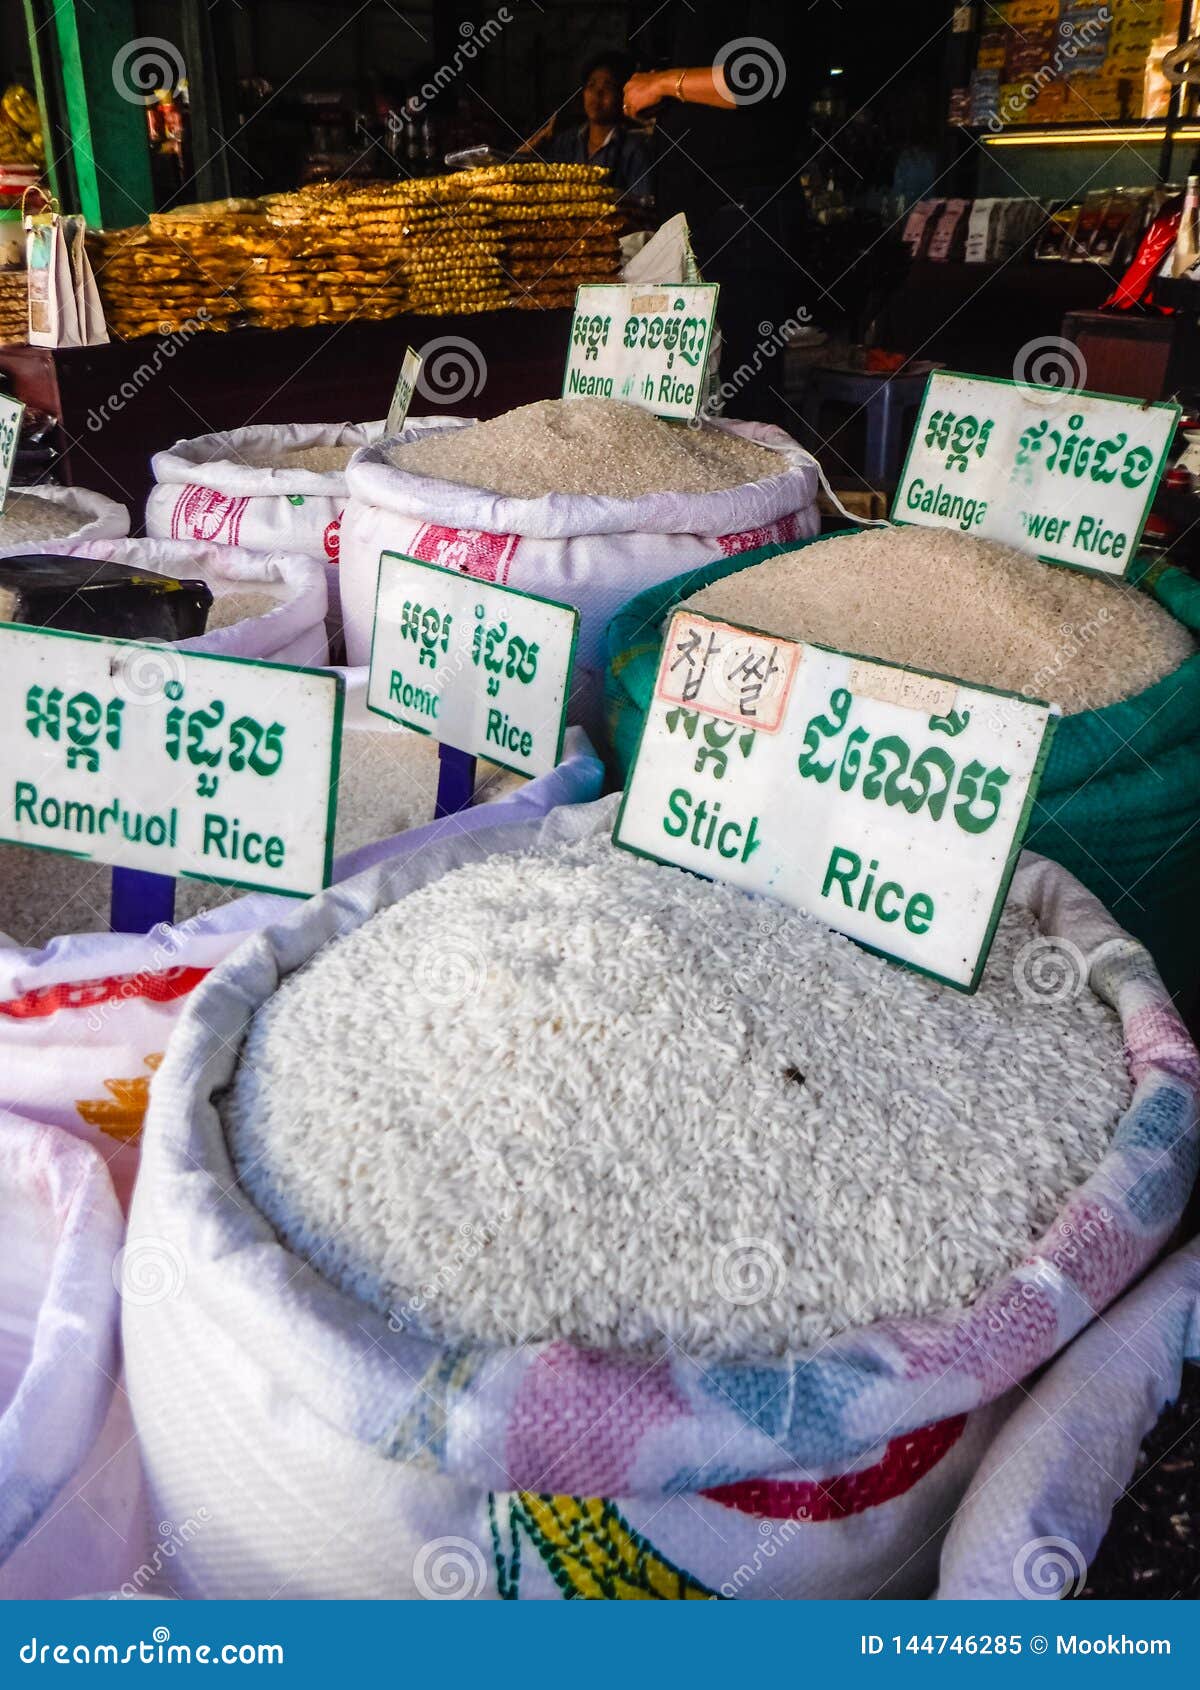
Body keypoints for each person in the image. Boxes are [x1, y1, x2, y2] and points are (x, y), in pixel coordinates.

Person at [621, 5, 804, 428]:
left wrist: (665, 85)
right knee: (691, 385)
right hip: (696, 218)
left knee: (746, 392)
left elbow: (757, 74)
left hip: (743, 216)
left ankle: (757, 492)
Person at [524, 51, 653, 199]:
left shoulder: (633, 151)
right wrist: (529, 149)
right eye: (591, 85)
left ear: (621, 96)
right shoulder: (566, 142)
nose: (598, 94)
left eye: (608, 87)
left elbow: (644, 204)